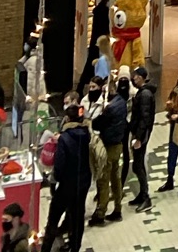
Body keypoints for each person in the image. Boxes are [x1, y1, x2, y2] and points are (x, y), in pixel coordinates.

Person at [40, 104, 90, 252]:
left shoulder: (65, 138)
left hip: (67, 185)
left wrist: (54, 181)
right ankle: (75, 247)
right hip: (83, 182)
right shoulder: (87, 133)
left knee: (54, 218)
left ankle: (46, 248)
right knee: (77, 217)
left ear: (67, 119)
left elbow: (60, 166)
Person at [88, 79, 128, 225]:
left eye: (105, 91)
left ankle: (100, 213)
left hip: (108, 146)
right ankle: (118, 208)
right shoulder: (122, 102)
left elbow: (98, 123)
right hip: (118, 145)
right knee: (115, 178)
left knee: (103, 180)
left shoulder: (110, 108)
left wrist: (99, 115)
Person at [127, 64, 154, 210]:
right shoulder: (143, 93)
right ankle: (142, 194)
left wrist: (138, 137)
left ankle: (146, 196)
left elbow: (144, 118)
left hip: (141, 134)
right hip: (140, 132)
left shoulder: (144, 95)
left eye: (136, 76)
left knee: (138, 165)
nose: (133, 78)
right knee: (137, 165)